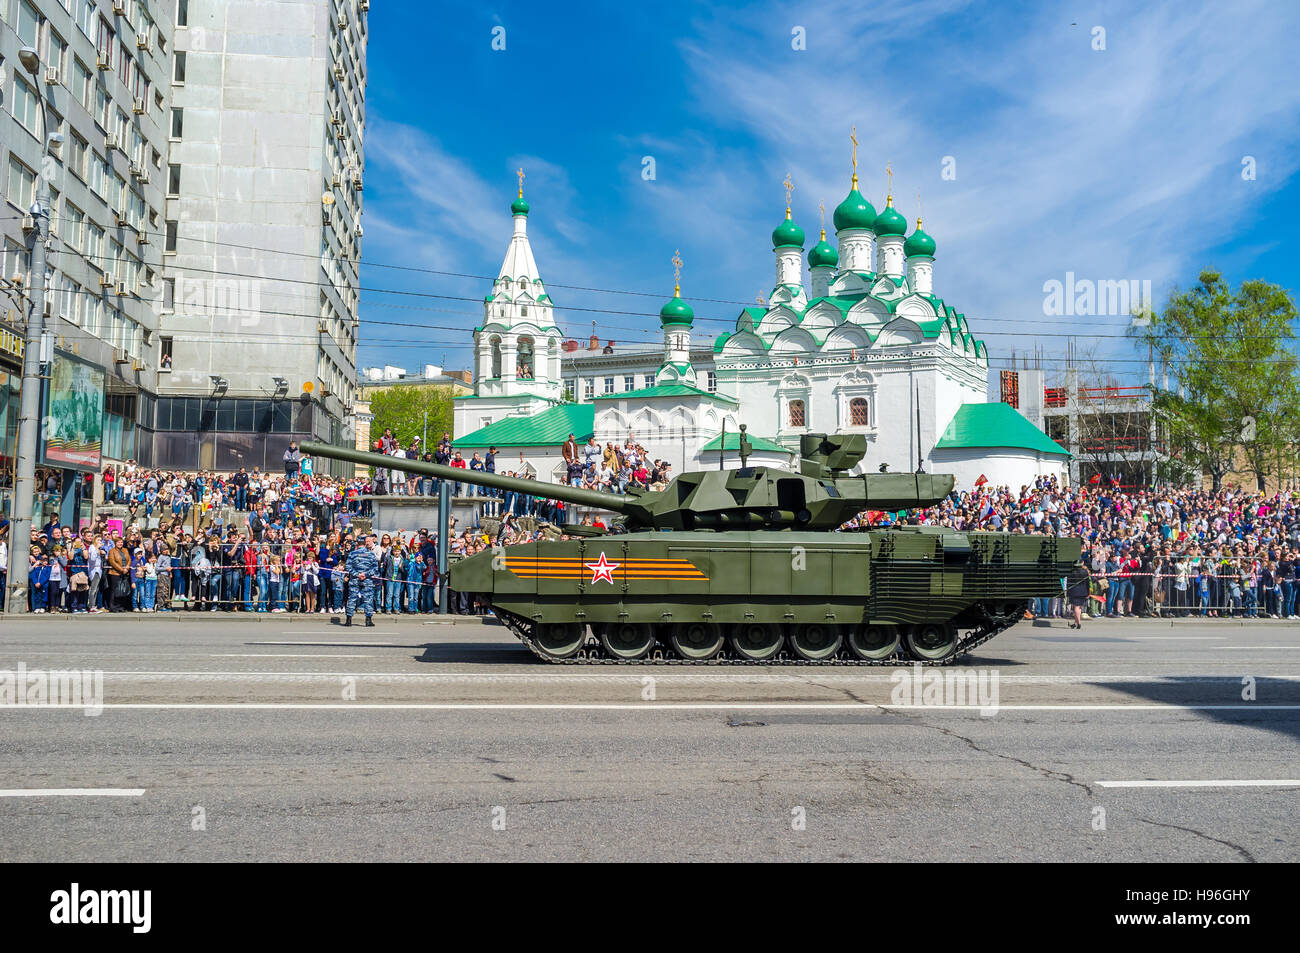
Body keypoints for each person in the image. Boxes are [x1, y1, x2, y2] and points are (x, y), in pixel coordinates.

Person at [344, 535, 379, 626]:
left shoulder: (352, 554)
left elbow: (347, 567)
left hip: (355, 579)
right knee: (368, 599)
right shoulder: (371, 554)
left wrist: (357, 574)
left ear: (357, 543)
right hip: (367, 580)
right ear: (365, 543)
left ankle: (349, 620)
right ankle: (368, 620)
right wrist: (365, 574)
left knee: (352, 599)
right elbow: (375, 568)